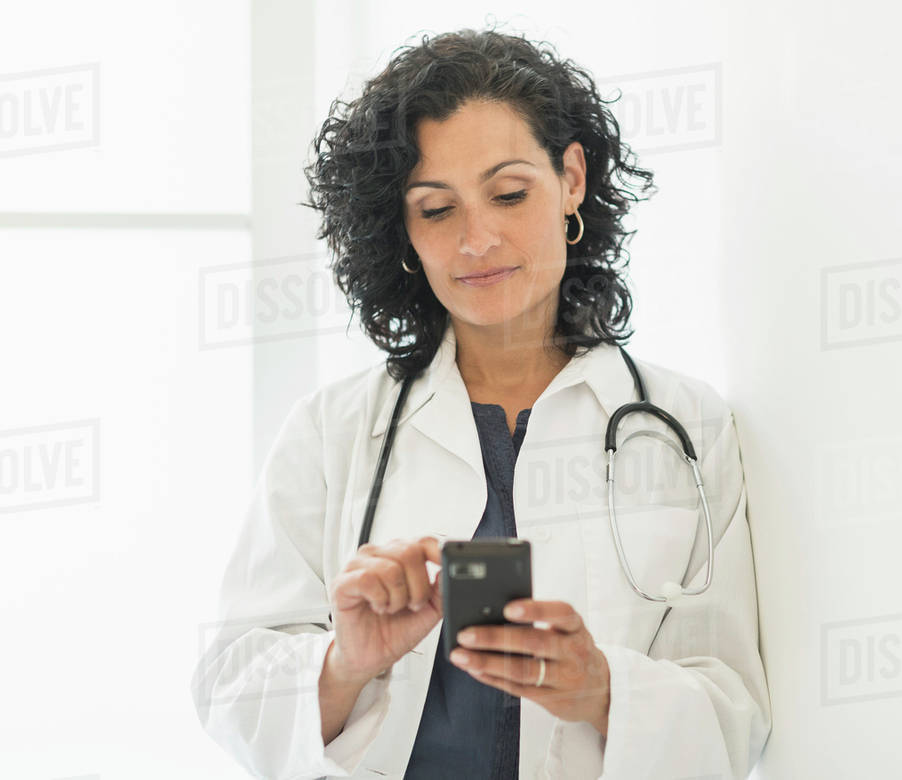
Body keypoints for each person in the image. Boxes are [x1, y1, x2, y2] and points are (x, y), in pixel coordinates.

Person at [190, 26, 770, 779]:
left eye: (508, 193)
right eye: (436, 210)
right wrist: (344, 663)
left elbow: (736, 711)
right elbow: (231, 684)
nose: (477, 239)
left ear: (570, 179)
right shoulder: (331, 434)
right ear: (400, 229)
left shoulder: (690, 428)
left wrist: (602, 691)